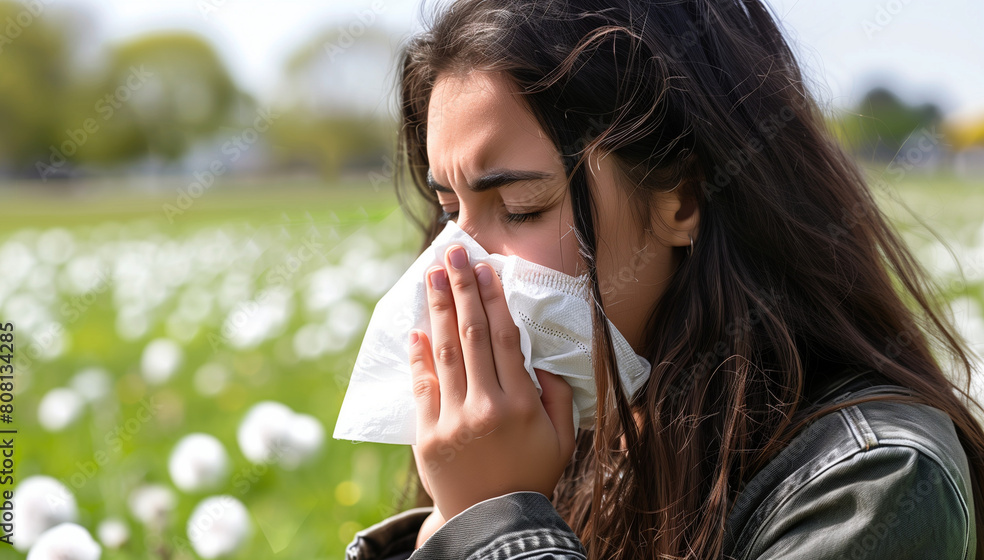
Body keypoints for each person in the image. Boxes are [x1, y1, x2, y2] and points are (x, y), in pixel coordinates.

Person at [345, 0, 984, 558]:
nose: (459, 261)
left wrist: (496, 522)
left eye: (522, 209)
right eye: (452, 213)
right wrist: (446, 529)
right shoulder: (566, 430)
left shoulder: (870, 483)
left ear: (681, 198)